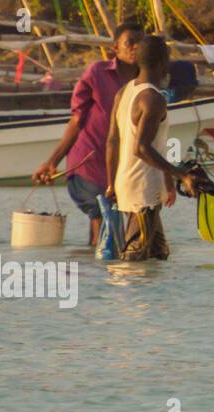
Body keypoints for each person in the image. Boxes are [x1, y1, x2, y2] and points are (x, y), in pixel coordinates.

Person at [34, 22, 145, 248]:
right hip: (88, 162)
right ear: (116, 48)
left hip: (122, 165)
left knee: (121, 225)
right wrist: (52, 161)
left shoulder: (145, 79)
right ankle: (97, 277)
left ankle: (103, 273)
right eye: (129, 43)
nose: (135, 48)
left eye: (139, 43)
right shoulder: (98, 73)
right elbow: (77, 120)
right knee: (102, 215)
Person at [104, 36, 198, 262]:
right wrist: (182, 175)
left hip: (129, 183)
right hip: (142, 190)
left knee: (158, 256)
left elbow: (112, 142)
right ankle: (123, 297)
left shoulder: (124, 92)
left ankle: (156, 298)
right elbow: (142, 149)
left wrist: (111, 184)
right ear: (163, 64)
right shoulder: (153, 99)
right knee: (133, 260)